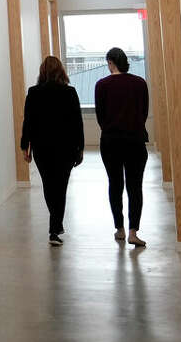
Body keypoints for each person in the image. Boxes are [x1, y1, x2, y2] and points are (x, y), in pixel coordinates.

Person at [19, 55, 84, 245]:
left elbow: (28, 122)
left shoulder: (34, 92)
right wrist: (80, 148)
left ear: (42, 72)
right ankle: (55, 227)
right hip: (66, 148)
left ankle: (54, 227)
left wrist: (25, 146)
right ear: (61, 71)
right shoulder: (70, 92)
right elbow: (77, 122)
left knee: (49, 185)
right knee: (61, 186)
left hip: (42, 148)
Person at [94, 46, 151, 247]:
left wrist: (111, 128)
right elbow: (144, 112)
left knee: (115, 184)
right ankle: (134, 231)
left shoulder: (101, 85)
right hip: (135, 141)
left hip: (111, 142)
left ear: (110, 62)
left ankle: (119, 228)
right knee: (135, 186)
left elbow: (100, 116)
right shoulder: (139, 83)